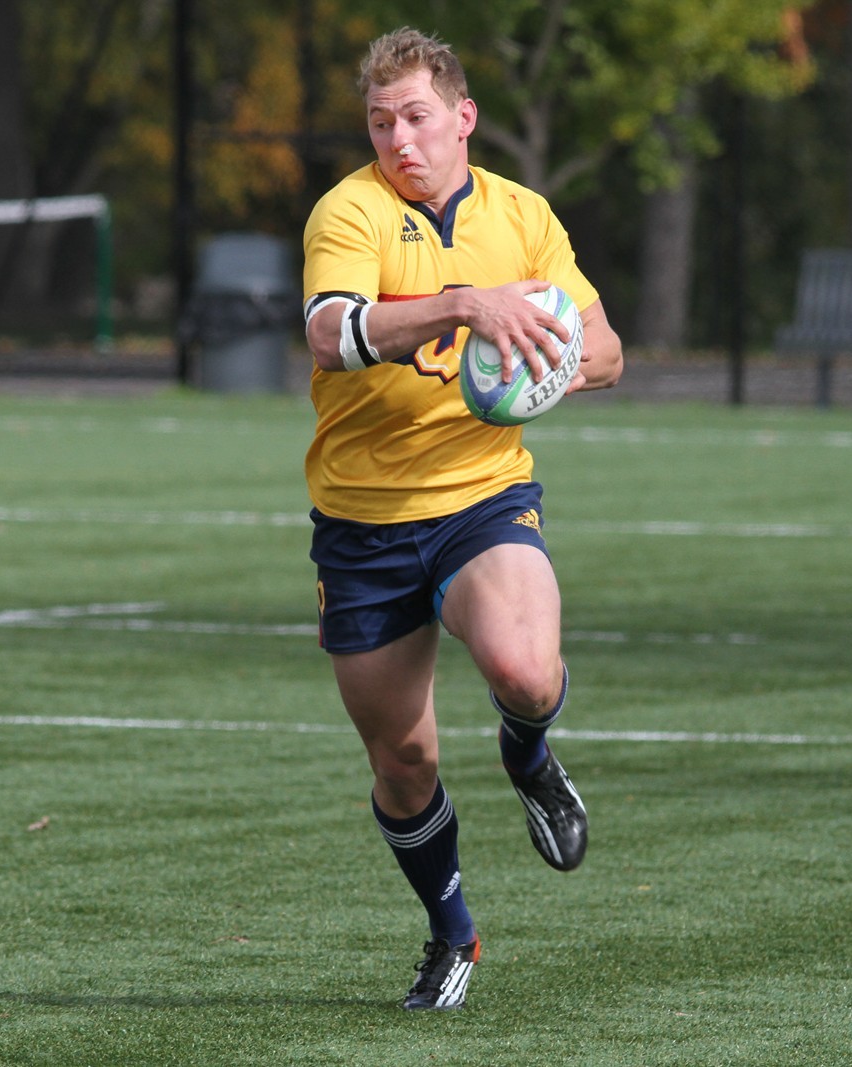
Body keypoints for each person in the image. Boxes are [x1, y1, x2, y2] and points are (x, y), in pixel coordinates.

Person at [300, 28, 624, 1011]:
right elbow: (330, 330)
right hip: (361, 520)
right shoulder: (349, 210)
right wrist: (460, 307)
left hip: (481, 496)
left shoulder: (522, 215)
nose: (398, 138)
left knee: (524, 671)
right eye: (380, 120)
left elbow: (606, 348)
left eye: (416, 117)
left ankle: (526, 750)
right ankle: (452, 933)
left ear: (462, 120)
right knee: (403, 757)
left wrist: (546, 355)